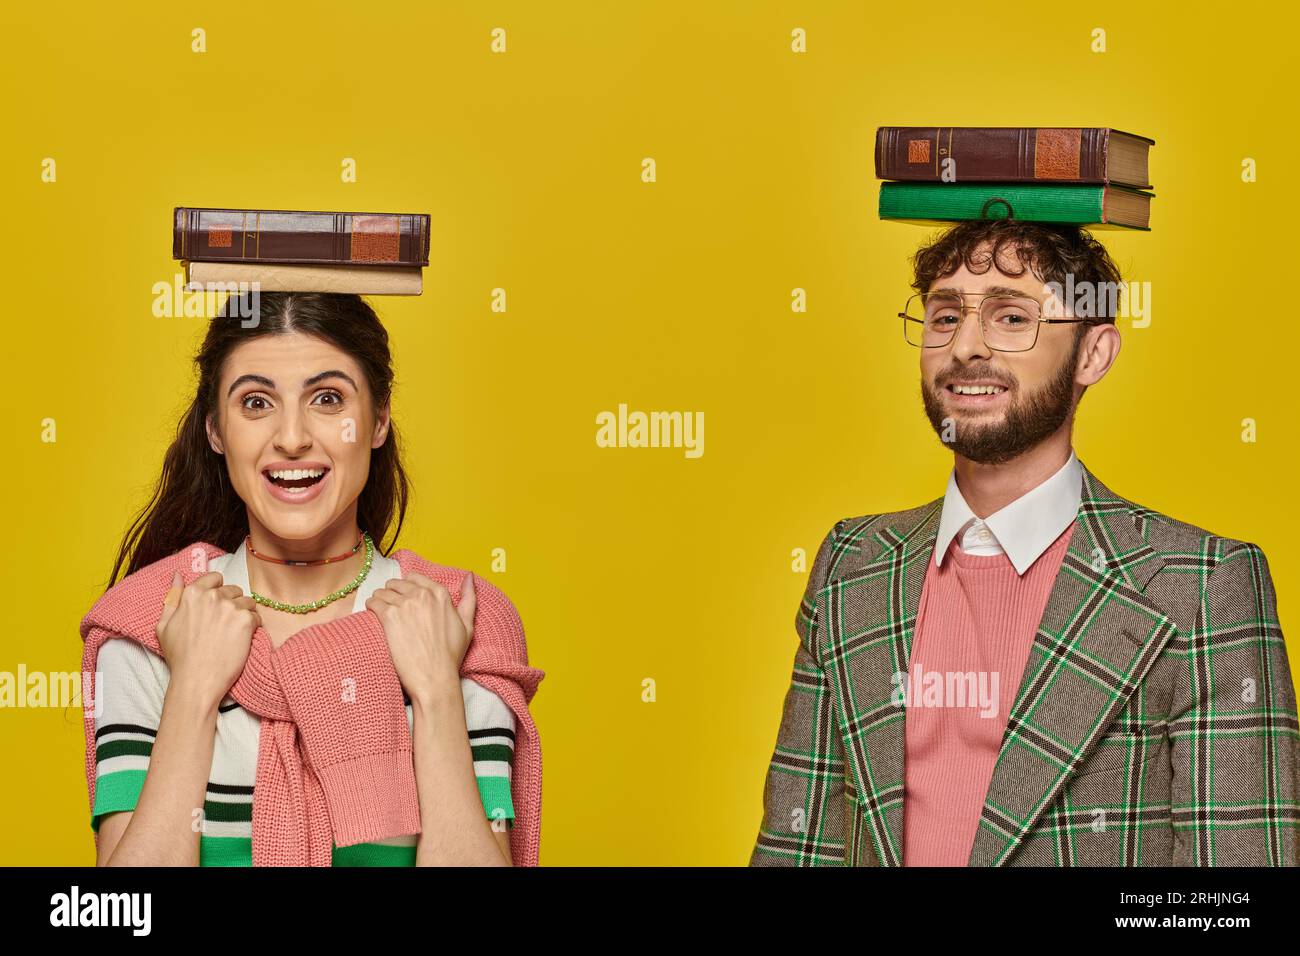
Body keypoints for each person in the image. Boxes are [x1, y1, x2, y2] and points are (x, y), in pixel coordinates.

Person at [750, 219, 1299, 866]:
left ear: (1093, 354)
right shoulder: (853, 564)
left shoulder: (1201, 583)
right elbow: (796, 844)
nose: (966, 347)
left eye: (1013, 318)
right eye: (945, 316)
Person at [84, 291, 540, 866]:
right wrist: (193, 694)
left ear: (378, 420)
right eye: (255, 402)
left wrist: (436, 695)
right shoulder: (152, 627)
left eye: (328, 398)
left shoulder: (456, 621)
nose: (292, 437)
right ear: (215, 431)